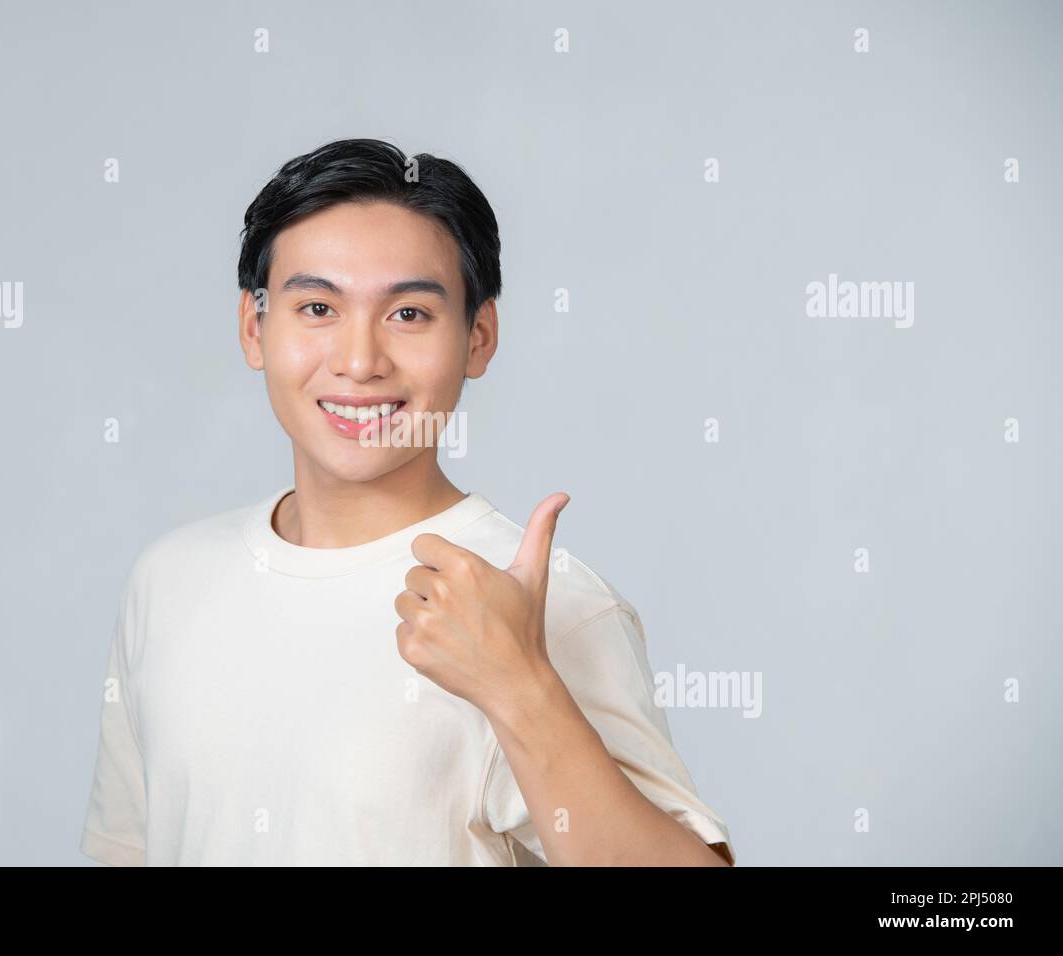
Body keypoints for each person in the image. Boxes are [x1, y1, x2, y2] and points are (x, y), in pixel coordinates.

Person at [79, 138, 735, 866]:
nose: (360, 362)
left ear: (478, 338)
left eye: (410, 314)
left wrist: (521, 686)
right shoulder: (168, 579)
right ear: (254, 328)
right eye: (318, 307)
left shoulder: (543, 603)